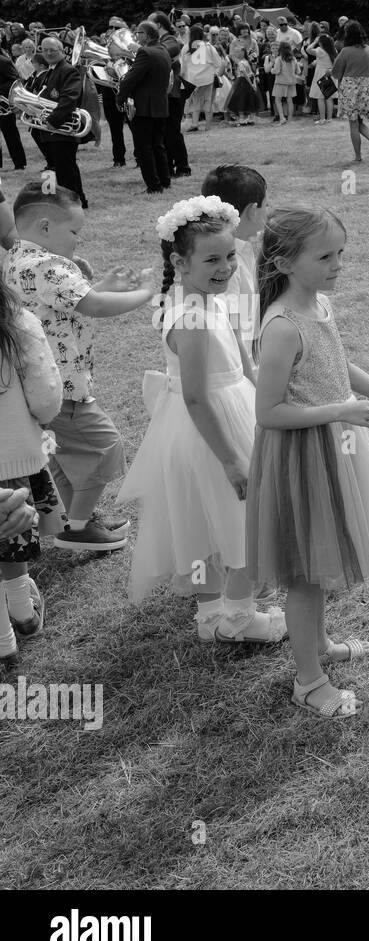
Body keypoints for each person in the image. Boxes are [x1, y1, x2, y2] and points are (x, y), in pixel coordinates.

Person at [248, 206, 369, 718]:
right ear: (283, 263)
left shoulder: (318, 306)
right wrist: (340, 410)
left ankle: (318, 644)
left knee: (320, 563)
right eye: (325, 256)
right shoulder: (280, 326)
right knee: (304, 573)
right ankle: (309, 681)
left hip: (331, 447)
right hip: (300, 457)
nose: (338, 263)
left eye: (340, 252)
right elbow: (269, 412)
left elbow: (338, 364)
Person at [118, 196, 285, 646]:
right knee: (241, 519)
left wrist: (263, 396)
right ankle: (237, 617)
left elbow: (243, 366)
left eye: (231, 255)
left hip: (233, 410)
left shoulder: (205, 298)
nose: (226, 267)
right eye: (212, 258)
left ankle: (212, 616)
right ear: (179, 260)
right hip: (210, 427)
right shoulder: (190, 315)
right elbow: (194, 395)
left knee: (210, 521)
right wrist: (232, 459)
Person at [6, 183, 155, 553]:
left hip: (36, 388)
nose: (77, 241)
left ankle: (69, 520)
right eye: (74, 232)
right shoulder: (47, 265)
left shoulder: (15, 260)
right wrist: (146, 293)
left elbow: (73, 300)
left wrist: (105, 285)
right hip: (64, 389)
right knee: (107, 447)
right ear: (44, 227)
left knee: (57, 454)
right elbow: (95, 306)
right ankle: (77, 528)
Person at [0, 270, 61, 657]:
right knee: (13, 542)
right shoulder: (18, 321)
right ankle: (22, 611)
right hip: (12, 460)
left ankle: (4, 643)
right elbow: (45, 394)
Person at [201, 164, 267, 355]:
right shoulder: (227, 265)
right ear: (253, 210)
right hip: (239, 366)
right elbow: (230, 331)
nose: (268, 210)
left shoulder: (243, 248)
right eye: (266, 204)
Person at [29, 36, 87, 210]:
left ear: (62, 51)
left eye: (52, 50)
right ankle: (78, 201)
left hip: (62, 128)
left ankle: (71, 204)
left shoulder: (68, 70)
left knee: (65, 168)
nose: (48, 53)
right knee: (62, 166)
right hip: (53, 129)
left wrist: (53, 121)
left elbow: (69, 99)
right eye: (44, 50)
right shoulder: (51, 71)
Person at [117, 21, 172, 194]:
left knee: (144, 149)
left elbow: (130, 79)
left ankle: (153, 186)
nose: (136, 36)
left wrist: (120, 98)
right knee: (158, 146)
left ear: (147, 35)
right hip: (160, 106)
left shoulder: (145, 52)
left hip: (144, 108)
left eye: (139, 33)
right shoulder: (163, 50)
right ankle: (164, 181)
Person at [148, 13, 190, 181]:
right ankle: (169, 167)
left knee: (172, 132)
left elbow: (162, 53)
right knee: (165, 133)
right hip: (165, 92)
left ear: (158, 25)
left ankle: (183, 167)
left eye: (149, 24)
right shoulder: (160, 42)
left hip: (173, 93)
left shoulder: (171, 41)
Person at [331, 21, 369, 163]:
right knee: (359, 122)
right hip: (366, 86)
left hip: (350, 88)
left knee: (353, 123)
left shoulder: (345, 51)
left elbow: (336, 73)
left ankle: (358, 156)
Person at [307, 33, 336, 124]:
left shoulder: (320, 50)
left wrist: (314, 41)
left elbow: (308, 49)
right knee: (329, 98)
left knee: (320, 98)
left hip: (321, 74)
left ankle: (322, 118)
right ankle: (329, 118)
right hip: (330, 74)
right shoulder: (333, 50)